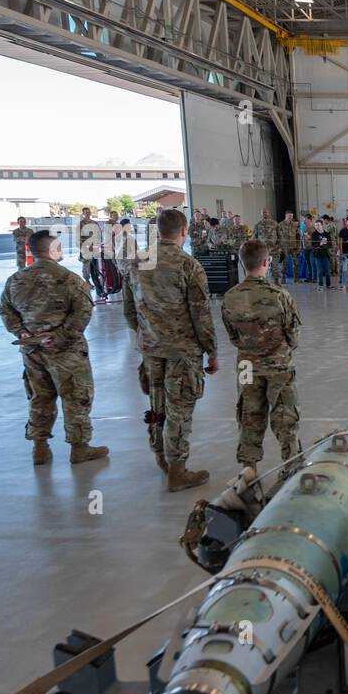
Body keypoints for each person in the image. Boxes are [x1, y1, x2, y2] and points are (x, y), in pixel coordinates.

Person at [122, 208, 218, 490]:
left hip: (151, 349)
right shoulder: (188, 266)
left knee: (156, 405)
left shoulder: (137, 263)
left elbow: (128, 310)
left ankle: (161, 456)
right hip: (181, 351)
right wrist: (211, 351)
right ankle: (177, 470)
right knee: (179, 410)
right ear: (184, 231)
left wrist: (145, 334)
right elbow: (201, 315)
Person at [0, 231, 109, 466]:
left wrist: (22, 333)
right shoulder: (69, 280)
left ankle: (40, 448)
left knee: (40, 397)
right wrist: (57, 336)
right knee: (75, 396)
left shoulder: (16, 280)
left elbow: (6, 310)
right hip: (65, 352)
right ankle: (80, 448)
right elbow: (82, 313)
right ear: (54, 250)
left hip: (32, 352)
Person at [222, 240, 302, 468]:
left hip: (247, 366)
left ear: (242, 263)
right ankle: (291, 467)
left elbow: (233, 336)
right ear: (266, 262)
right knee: (285, 416)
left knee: (249, 415)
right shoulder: (279, 295)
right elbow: (293, 335)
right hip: (279, 366)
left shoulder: (230, 297)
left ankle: (248, 470)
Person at [254, 209, 281, 285]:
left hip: (274, 248)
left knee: (275, 266)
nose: (264, 214)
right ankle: (263, 281)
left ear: (269, 213)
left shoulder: (274, 223)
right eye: (263, 213)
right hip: (262, 249)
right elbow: (255, 237)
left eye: (266, 212)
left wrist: (278, 246)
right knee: (262, 266)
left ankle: (276, 281)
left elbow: (280, 236)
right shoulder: (258, 224)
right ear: (261, 214)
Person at [277, 210, 301, 282]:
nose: (290, 218)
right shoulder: (280, 225)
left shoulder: (295, 225)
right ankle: (283, 277)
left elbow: (298, 236)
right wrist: (279, 247)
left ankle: (296, 278)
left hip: (294, 246)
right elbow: (277, 236)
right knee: (285, 263)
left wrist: (298, 245)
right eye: (289, 216)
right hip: (284, 247)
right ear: (286, 215)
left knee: (296, 262)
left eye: (292, 216)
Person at [310, 219, 333, 290]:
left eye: (318, 225)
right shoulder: (314, 234)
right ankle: (320, 285)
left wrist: (322, 246)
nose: (317, 226)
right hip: (317, 255)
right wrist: (320, 244)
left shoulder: (327, 234)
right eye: (316, 225)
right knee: (319, 271)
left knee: (327, 271)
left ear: (322, 225)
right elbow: (313, 245)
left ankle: (328, 285)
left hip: (326, 255)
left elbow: (330, 245)